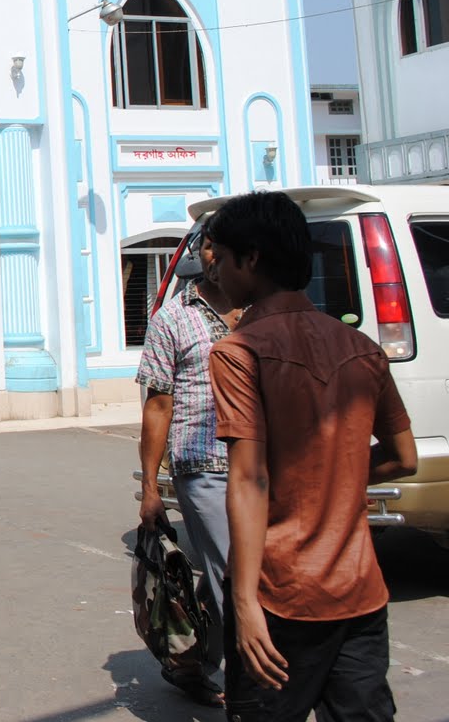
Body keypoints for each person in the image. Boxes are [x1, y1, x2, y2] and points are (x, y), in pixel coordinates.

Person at [207, 191, 417, 721]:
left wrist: (246, 603)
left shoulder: (239, 351)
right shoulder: (361, 347)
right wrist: (339, 480)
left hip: (282, 594)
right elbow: (403, 457)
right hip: (359, 589)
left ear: (250, 259)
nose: (215, 269)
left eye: (220, 255)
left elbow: (250, 481)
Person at [134, 224, 240, 708]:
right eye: (217, 247)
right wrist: (152, 487)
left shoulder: (265, 312)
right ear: (207, 252)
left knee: (229, 576)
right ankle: (253, 691)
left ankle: (191, 660)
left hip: (265, 465)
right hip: (203, 466)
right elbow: (158, 404)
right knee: (233, 578)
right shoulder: (173, 318)